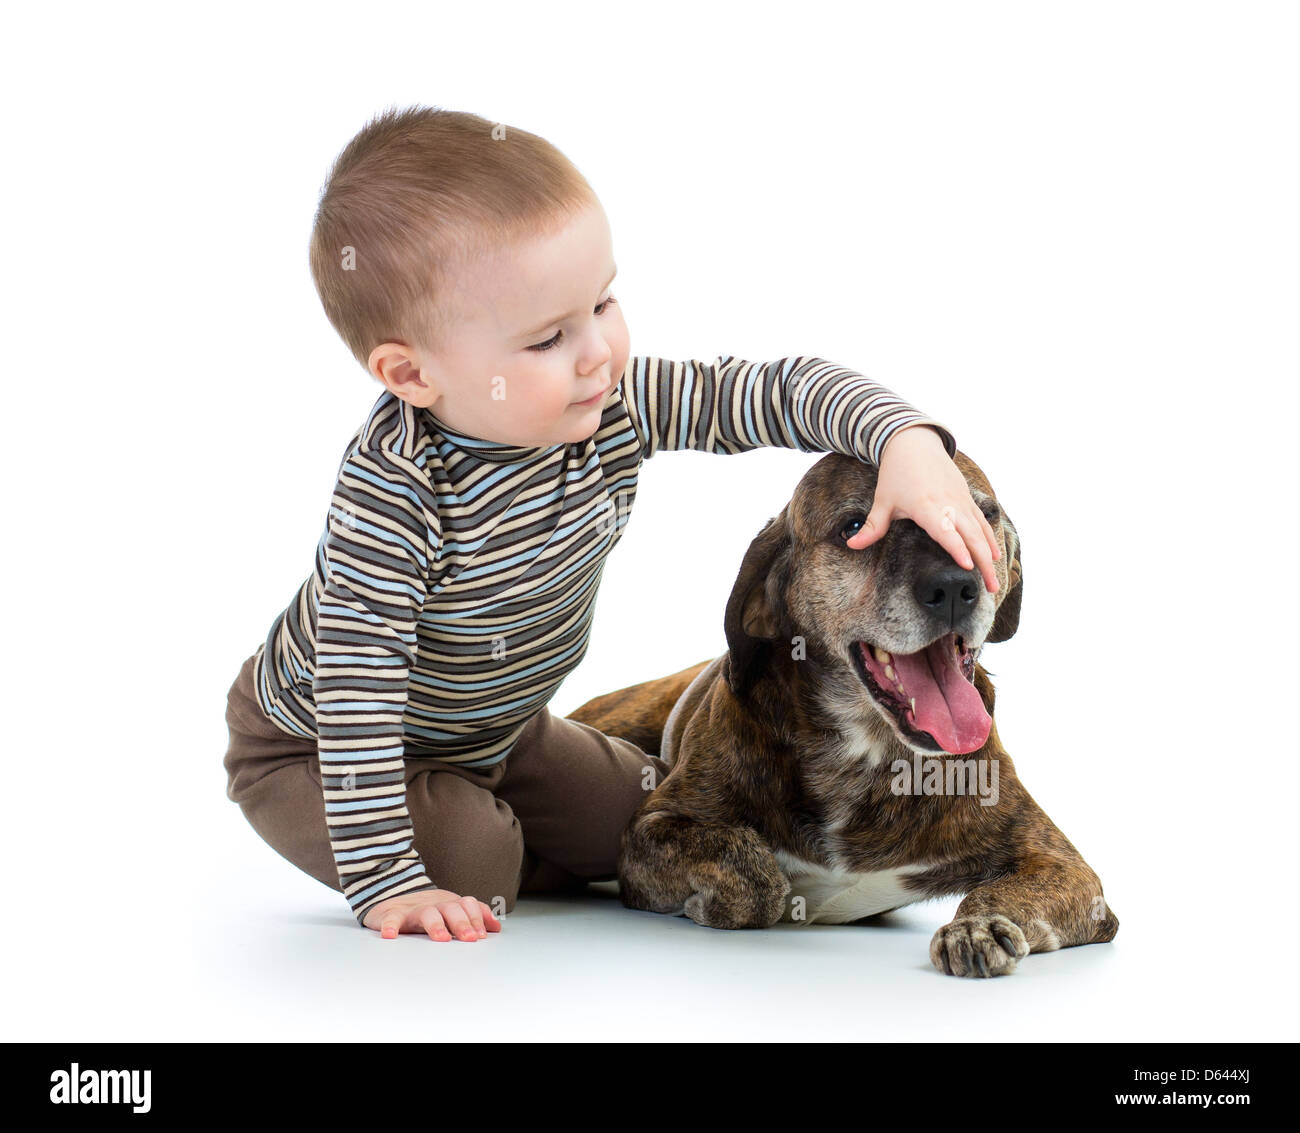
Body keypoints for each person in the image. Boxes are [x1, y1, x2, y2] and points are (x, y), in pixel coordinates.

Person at [222, 105, 1002, 943]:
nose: (598, 351)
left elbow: (774, 390)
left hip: (499, 729)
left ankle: (487, 796)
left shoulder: (611, 407)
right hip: (318, 747)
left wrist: (903, 437)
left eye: (603, 302)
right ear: (411, 371)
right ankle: (460, 825)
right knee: (478, 867)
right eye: (549, 336)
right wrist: (387, 880)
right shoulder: (395, 494)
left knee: (651, 817)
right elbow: (357, 695)